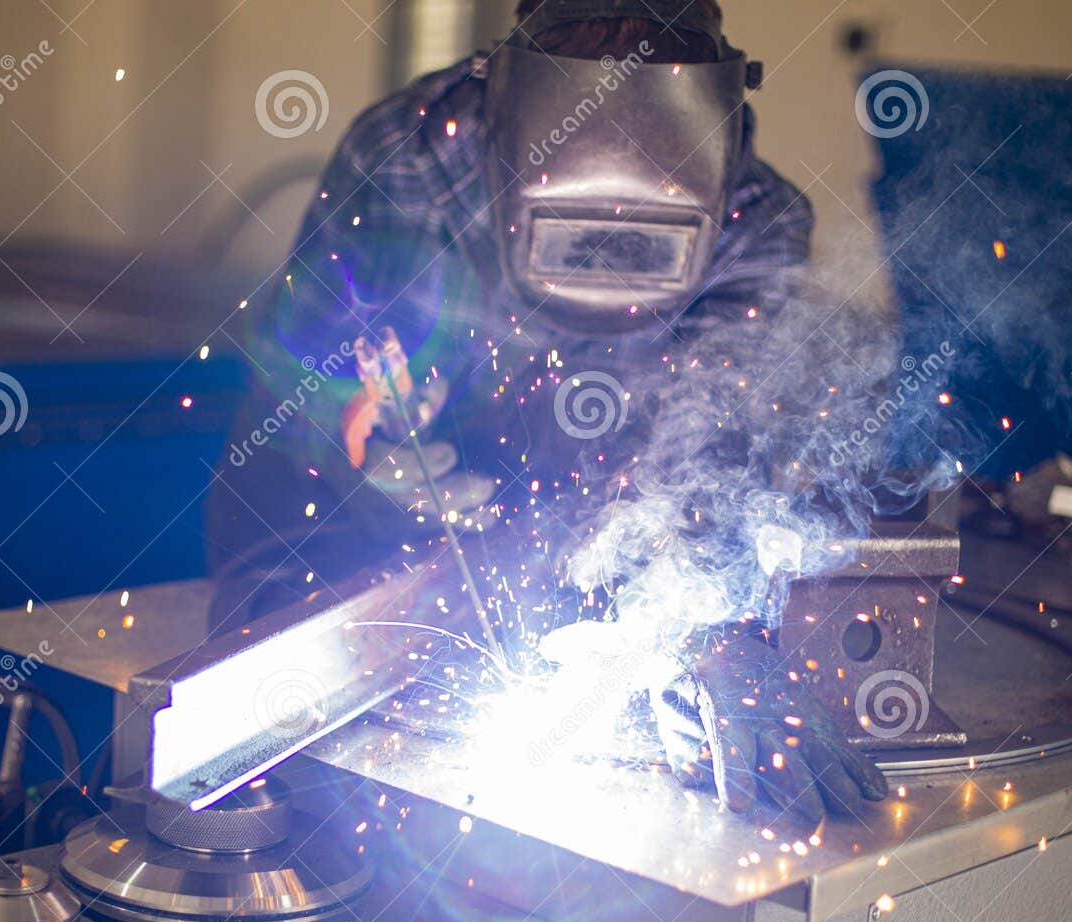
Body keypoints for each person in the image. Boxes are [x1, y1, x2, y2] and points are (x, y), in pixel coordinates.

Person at [206, 0, 888, 823]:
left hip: (596, 553)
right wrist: (364, 425)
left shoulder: (754, 221)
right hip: (376, 551)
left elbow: (713, 454)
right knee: (278, 757)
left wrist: (716, 624)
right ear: (500, 117)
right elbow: (302, 393)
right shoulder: (413, 157)